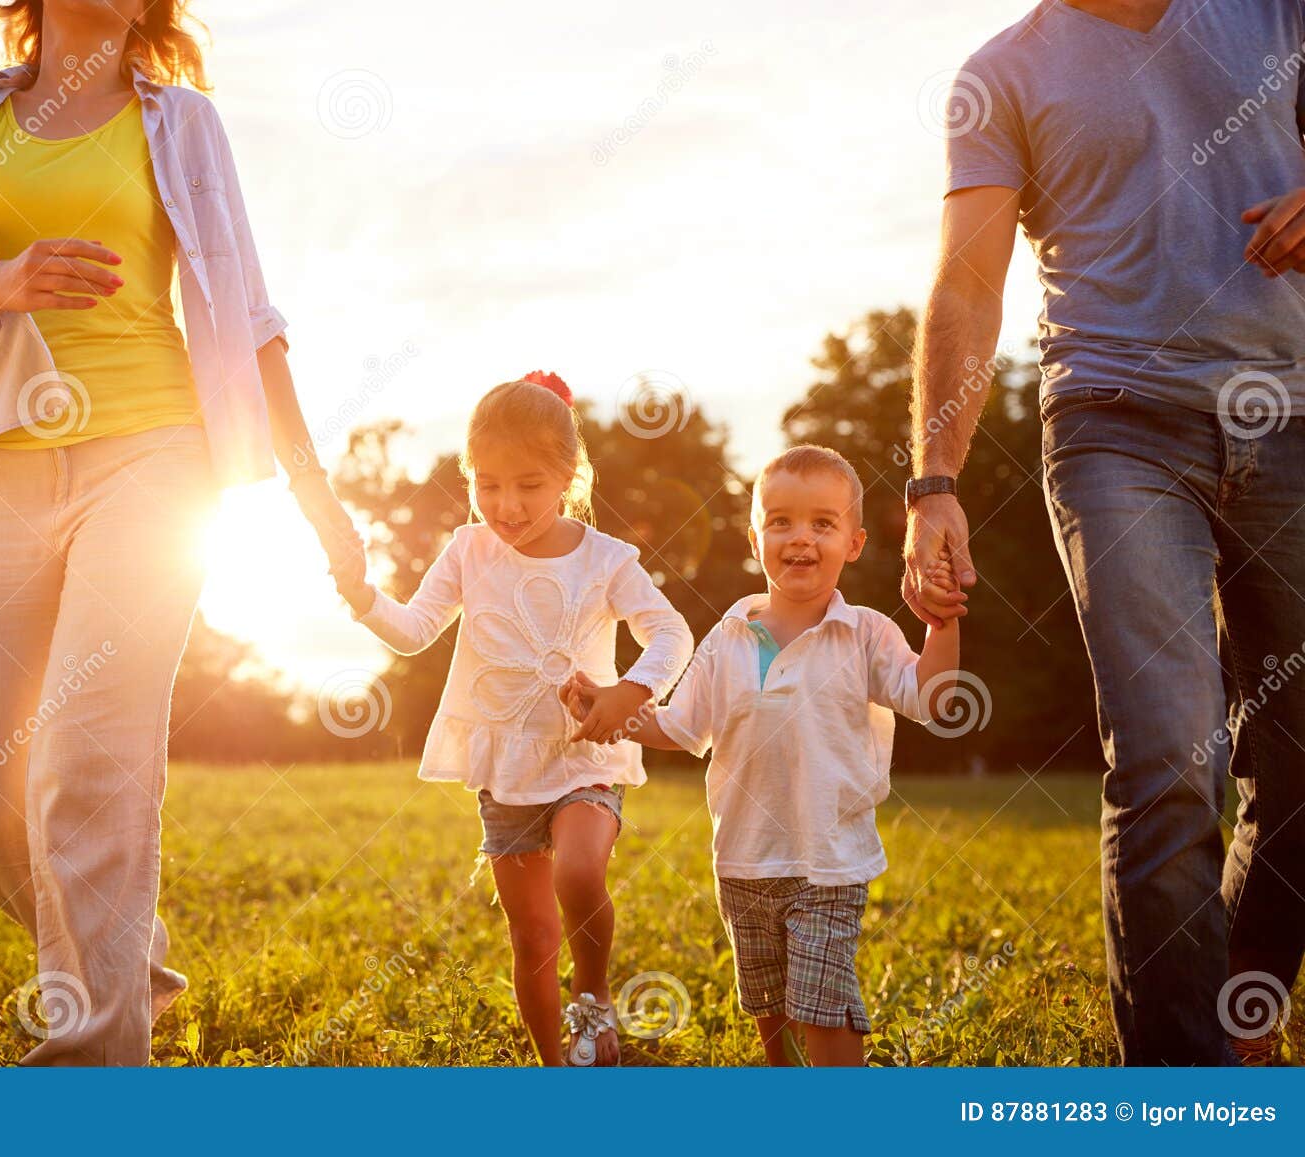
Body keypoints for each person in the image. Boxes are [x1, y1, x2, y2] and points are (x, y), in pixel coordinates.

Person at [0, 0, 360, 1064]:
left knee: (85, 766)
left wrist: (315, 494)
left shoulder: (180, 123)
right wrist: (3, 281)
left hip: (154, 458)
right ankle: (128, 953)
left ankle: (92, 1070)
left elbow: (250, 311)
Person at [904, 0, 1305, 1064]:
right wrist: (932, 477)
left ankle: (1238, 1016)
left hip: (1292, 411)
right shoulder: (1001, 75)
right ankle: (1182, 1095)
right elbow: (967, 283)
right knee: (1172, 752)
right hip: (1115, 423)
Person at [332, 372, 693, 1065]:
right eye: (487, 484)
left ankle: (593, 996)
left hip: (583, 755)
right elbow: (413, 630)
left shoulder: (606, 560)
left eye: (528, 484)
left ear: (567, 475)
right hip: (504, 767)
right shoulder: (468, 550)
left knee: (578, 873)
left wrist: (629, 692)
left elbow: (672, 633)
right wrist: (360, 593)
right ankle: (554, 1068)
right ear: (468, 475)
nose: (507, 504)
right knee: (530, 933)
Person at [565, 446, 962, 1065]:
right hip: (743, 860)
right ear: (756, 537)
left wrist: (942, 626)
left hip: (828, 863)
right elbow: (679, 724)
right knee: (769, 1005)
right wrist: (614, 708)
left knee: (824, 1006)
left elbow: (931, 697)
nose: (800, 538)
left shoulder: (864, 633)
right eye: (780, 521)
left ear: (854, 543)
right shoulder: (728, 635)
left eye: (822, 523)